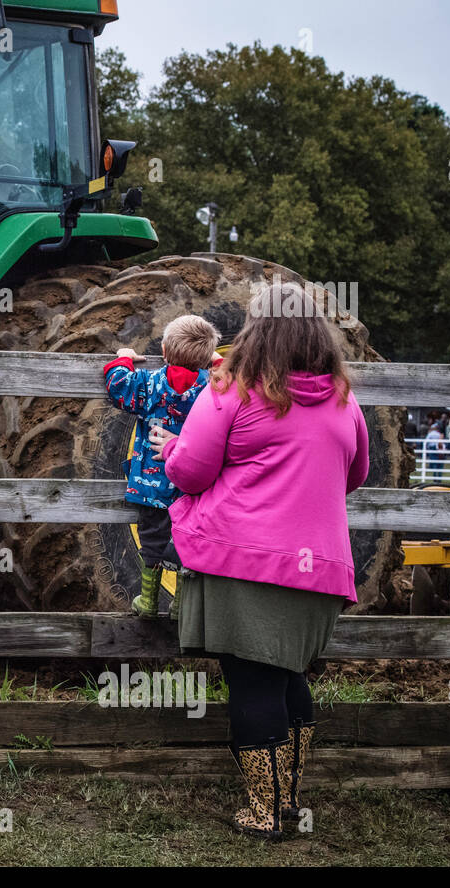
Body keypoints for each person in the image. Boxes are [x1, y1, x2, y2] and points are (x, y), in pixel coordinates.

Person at [149, 282, 369, 840]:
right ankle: (287, 801)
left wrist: (170, 447)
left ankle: (263, 812)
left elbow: (192, 471)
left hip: (245, 560)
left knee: (251, 684)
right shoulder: (345, 398)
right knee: (289, 675)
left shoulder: (231, 388)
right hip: (319, 567)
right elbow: (356, 474)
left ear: (257, 329)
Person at [102, 315, 221, 618]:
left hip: (150, 485)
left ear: (165, 351)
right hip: (190, 487)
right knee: (185, 539)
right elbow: (236, 383)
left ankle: (148, 602)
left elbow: (118, 386)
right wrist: (216, 362)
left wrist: (124, 359)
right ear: (206, 358)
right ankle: (180, 605)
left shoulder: (148, 383)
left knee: (152, 539)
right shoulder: (211, 389)